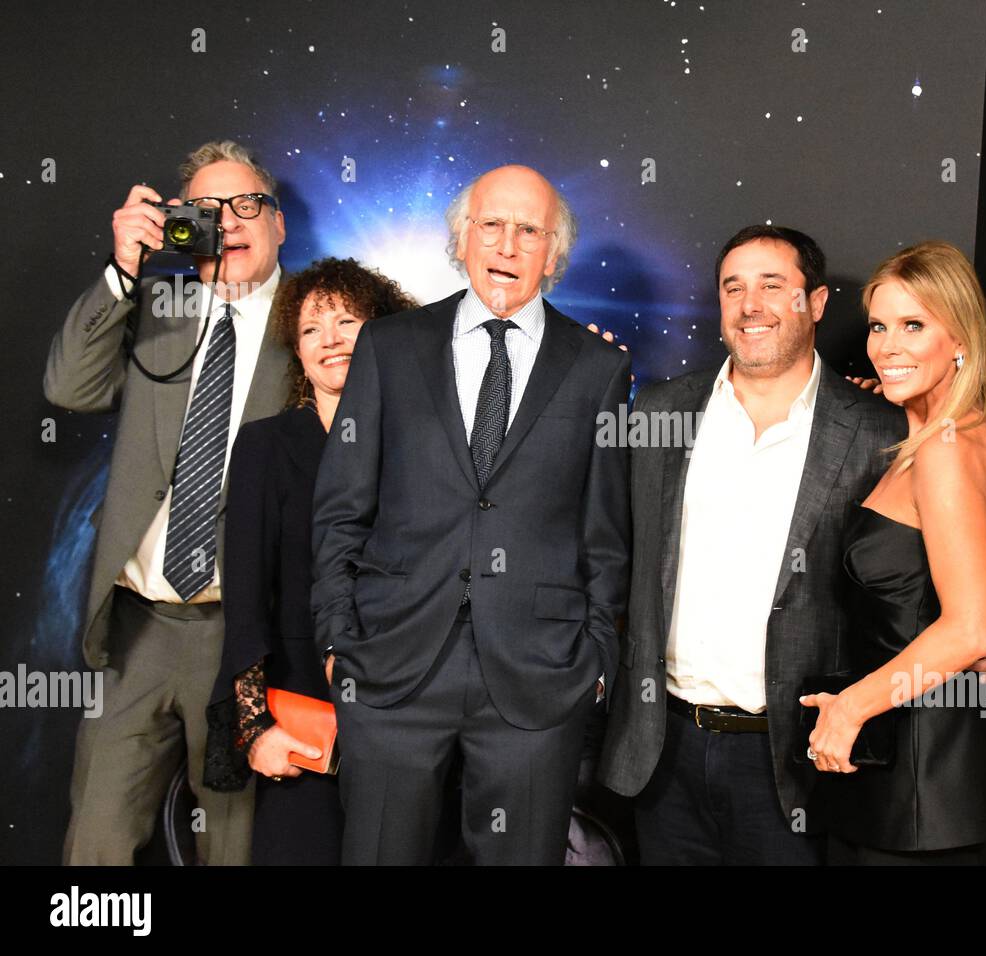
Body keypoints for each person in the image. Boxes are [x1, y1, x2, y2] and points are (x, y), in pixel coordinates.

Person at [311, 164, 631, 866]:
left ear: (555, 253)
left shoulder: (597, 369)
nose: (508, 245)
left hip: (538, 681)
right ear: (462, 239)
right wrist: (339, 640)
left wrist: (595, 662)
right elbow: (341, 509)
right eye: (491, 225)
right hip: (392, 667)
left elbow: (606, 532)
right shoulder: (389, 348)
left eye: (529, 231)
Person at [597, 224, 906, 865]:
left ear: (816, 303)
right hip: (663, 750)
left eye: (773, 285)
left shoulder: (880, 428)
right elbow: (610, 551)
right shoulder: (657, 411)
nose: (750, 305)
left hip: (794, 756)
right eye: (733, 287)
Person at [46, 140, 290, 865]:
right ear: (182, 227)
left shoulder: (315, 326)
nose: (230, 221)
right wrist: (125, 270)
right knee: (93, 843)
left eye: (248, 205)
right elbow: (69, 390)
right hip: (137, 629)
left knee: (233, 844)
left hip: (243, 638)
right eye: (207, 210)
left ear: (280, 225)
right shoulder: (155, 304)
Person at [803, 240, 986, 865]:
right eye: (878, 325)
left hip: (925, 787)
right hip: (905, 771)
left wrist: (851, 709)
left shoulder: (948, 449)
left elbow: (973, 628)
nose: (887, 346)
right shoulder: (939, 436)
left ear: (960, 341)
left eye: (913, 325)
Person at [203, 258, 417, 865]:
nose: (330, 340)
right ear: (295, 351)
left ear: (382, 332)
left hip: (411, 722)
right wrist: (255, 728)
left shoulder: (426, 444)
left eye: (348, 321)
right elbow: (246, 597)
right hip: (301, 721)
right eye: (311, 329)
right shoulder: (265, 446)